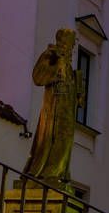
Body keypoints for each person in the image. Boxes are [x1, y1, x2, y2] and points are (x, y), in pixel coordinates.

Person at [23, 29, 82, 184]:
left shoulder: (68, 64)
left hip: (67, 111)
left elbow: (68, 87)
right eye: (71, 42)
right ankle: (47, 173)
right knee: (51, 139)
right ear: (64, 40)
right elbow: (38, 77)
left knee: (64, 141)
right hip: (54, 110)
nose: (72, 47)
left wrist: (78, 91)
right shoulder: (51, 55)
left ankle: (58, 173)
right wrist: (57, 68)